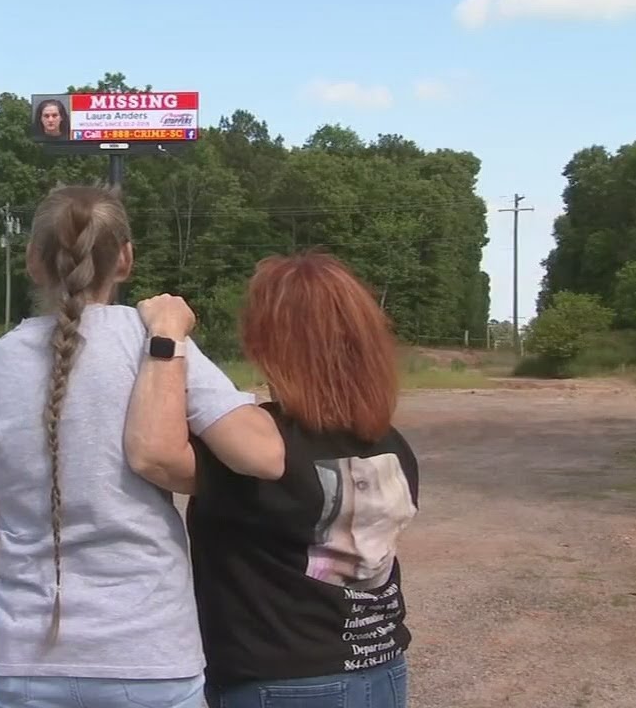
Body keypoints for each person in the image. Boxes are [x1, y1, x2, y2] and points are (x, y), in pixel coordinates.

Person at [0, 183, 284, 708]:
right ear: (125, 259)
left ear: (33, 261)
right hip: (148, 653)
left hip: (27, 660)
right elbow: (263, 455)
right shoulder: (155, 342)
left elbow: (3, 508)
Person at [125, 252, 420, 708]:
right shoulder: (390, 444)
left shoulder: (261, 445)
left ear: (266, 344)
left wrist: (167, 334)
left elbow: (154, 455)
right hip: (382, 670)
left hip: (282, 684)